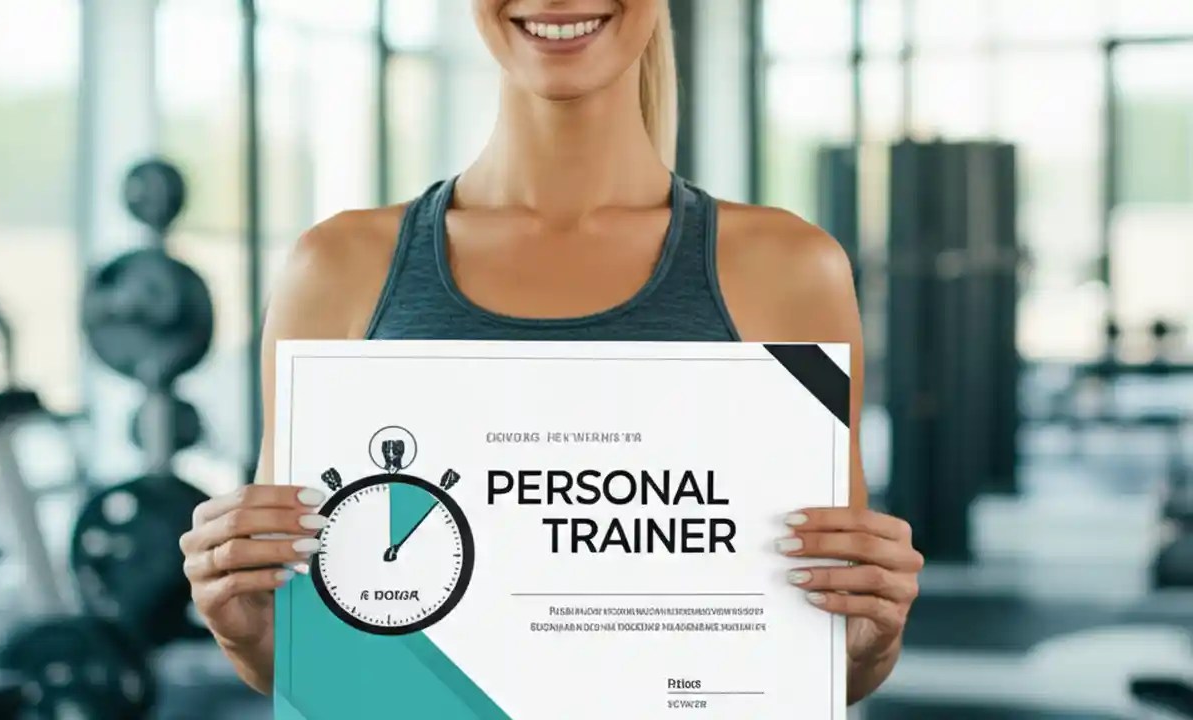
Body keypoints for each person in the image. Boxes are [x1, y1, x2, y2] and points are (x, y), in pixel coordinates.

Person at [180, 0, 924, 705]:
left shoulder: (789, 268)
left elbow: (816, 656)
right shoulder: (337, 267)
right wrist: (243, 628)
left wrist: (866, 641)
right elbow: (331, 666)